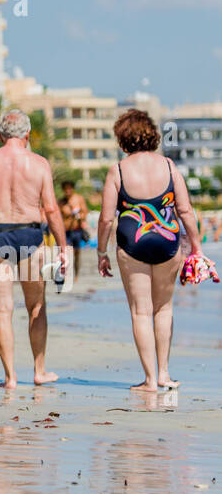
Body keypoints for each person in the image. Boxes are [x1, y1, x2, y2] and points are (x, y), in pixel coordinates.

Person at [96, 108, 204, 392]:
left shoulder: (118, 170)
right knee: (164, 308)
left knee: (141, 312)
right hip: (168, 239)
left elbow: (106, 218)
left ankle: (148, 379)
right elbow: (185, 210)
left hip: (133, 243)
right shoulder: (169, 166)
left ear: (122, 140)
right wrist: (197, 247)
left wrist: (101, 252)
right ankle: (164, 374)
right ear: (152, 136)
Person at [0, 108, 68, 388]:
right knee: (36, 306)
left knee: (2, 310)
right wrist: (63, 246)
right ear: (28, 134)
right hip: (30, 234)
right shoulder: (39, 163)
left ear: (1, 135)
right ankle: (39, 370)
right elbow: (50, 208)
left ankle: (10, 377)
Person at [60, 180, 89, 278]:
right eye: (65, 189)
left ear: (72, 189)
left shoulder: (79, 199)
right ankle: (67, 273)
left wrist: (80, 216)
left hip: (77, 229)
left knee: (77, 252)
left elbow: (85, 212)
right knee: (67, 252)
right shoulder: (61, 202)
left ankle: (76, 273)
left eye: (69, 188)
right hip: (66, 230)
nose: (67, 191)